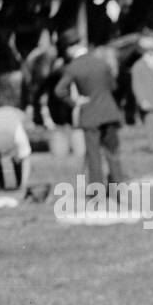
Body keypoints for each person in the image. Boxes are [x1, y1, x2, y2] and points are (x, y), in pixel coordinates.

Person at [54, 29, 127, 199]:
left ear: (69, 49)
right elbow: (113, 86)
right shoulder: (102, 62)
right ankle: (118, 190)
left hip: (90, 115)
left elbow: (59, 90)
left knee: (94, 156)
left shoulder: (73, 67)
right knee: (112, 153)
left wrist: (76, 102)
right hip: (109, 112)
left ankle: (97, 192)